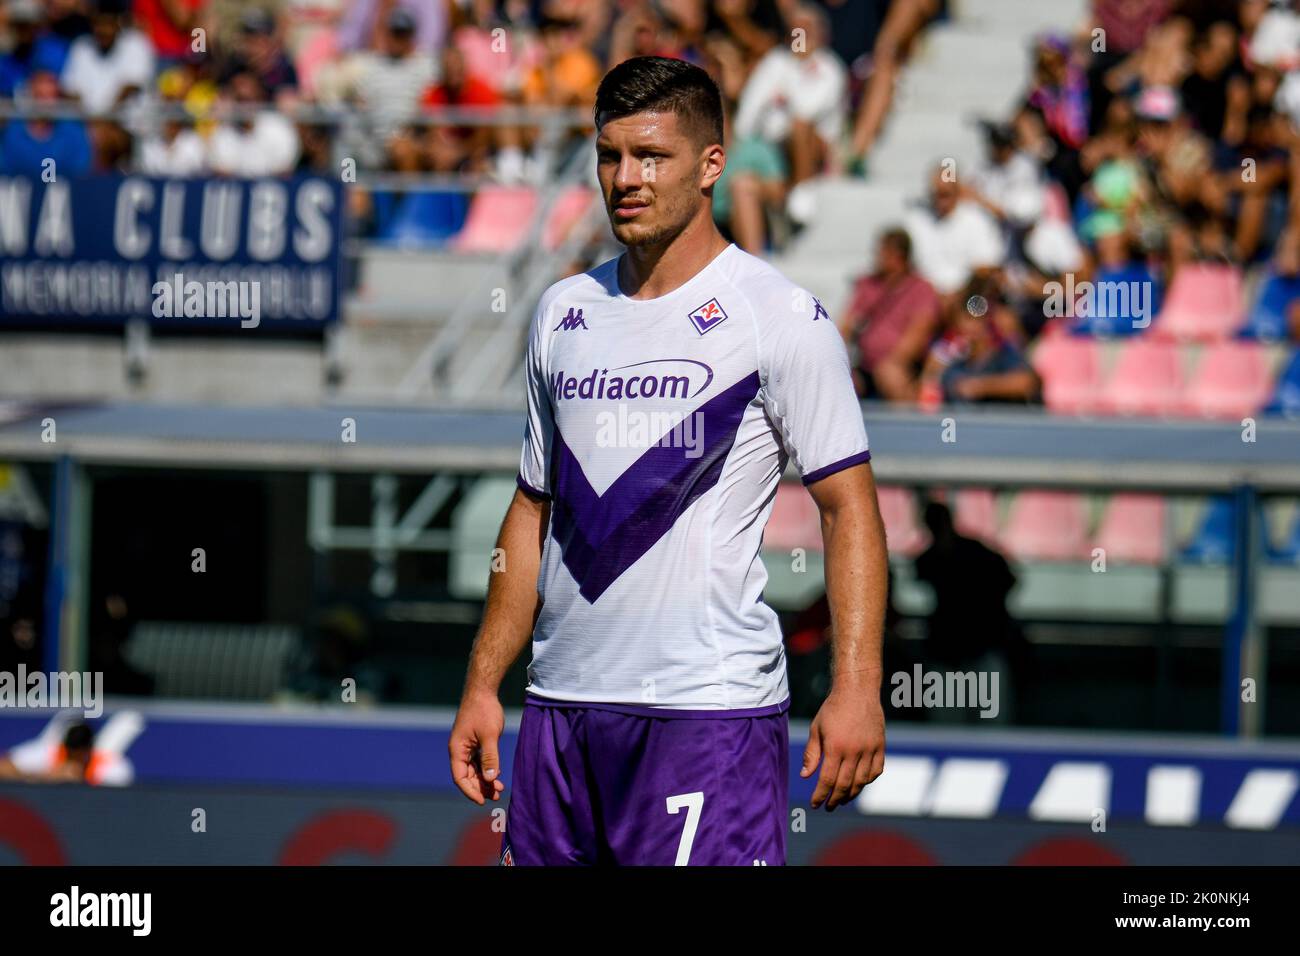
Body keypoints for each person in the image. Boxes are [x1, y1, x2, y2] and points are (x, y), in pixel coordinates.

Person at [448, 56, 888, 866]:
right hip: (560, 711)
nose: (627, 177)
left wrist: (857, 685)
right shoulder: (562, 312)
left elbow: (849, 507)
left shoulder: (779, 317)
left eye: (653, 156)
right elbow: (530, 508)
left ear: (712, 163)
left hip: (704, 715)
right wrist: (484, 683)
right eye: (610, 155)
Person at [913, 501, 1025, 723]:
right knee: (947, 727)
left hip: (983, 650)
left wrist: (989, 608)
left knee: (991, 726)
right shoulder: (928, 559)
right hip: (946, 654)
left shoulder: (977, 552)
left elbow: (1010, 581)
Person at [838, 228, 941, 401]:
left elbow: (919, 332)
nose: (877, 257)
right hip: (865, 365)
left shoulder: (921, 289)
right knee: (840, 380)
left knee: (890, 376)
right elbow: (847, 323)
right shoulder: (868, 284)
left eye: (883, 252)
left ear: (899, 256)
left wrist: (891, 362)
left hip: (902, 367)